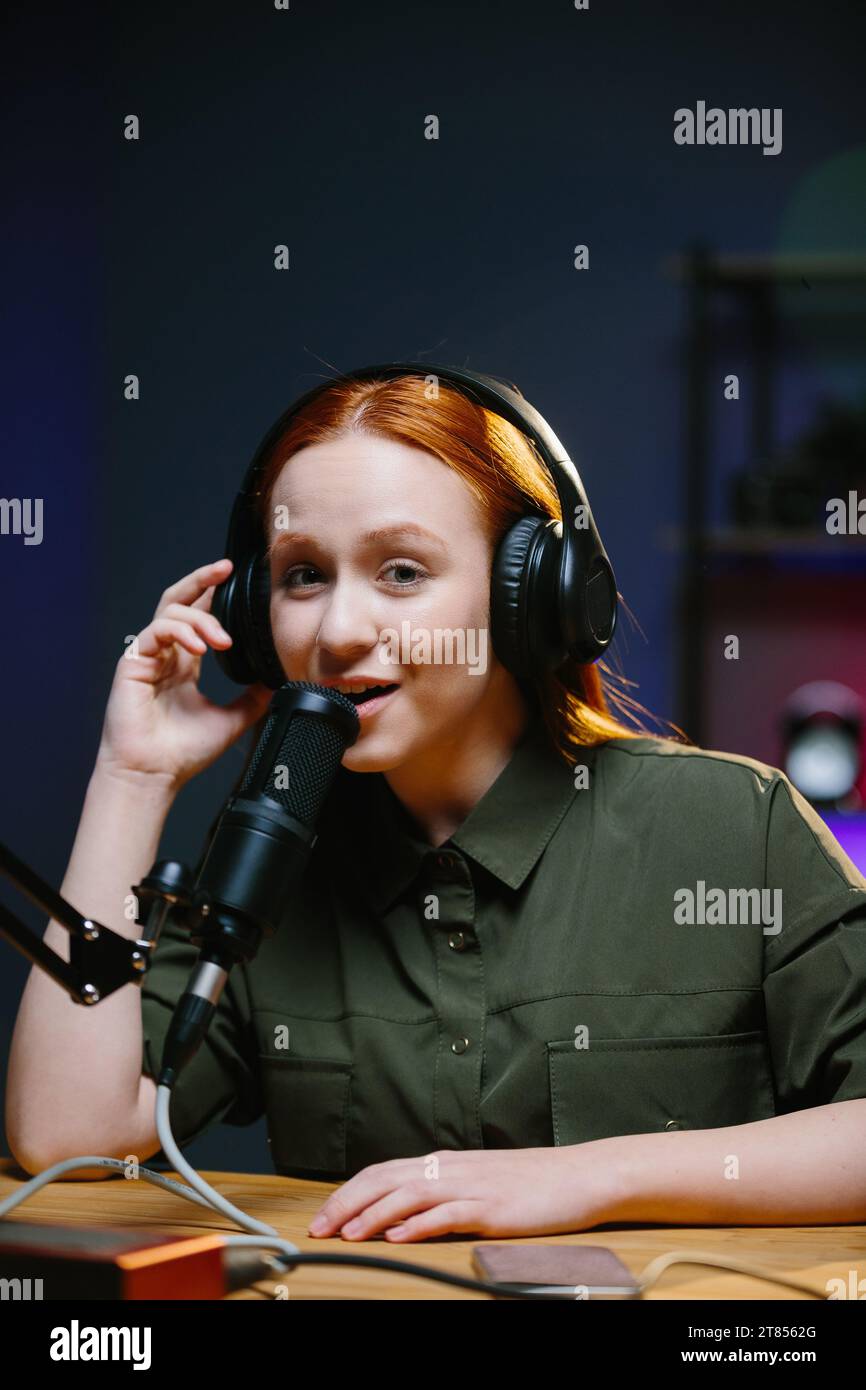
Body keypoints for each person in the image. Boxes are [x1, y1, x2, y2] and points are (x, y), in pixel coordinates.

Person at [6, 372, 866, 1244]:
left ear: (529, 596)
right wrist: (132, 777)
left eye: (403, 571)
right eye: (303, 575)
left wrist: (594, 1176)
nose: (338, 630)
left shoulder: (732, 827)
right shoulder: (274, 859)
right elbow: (66, 1137)